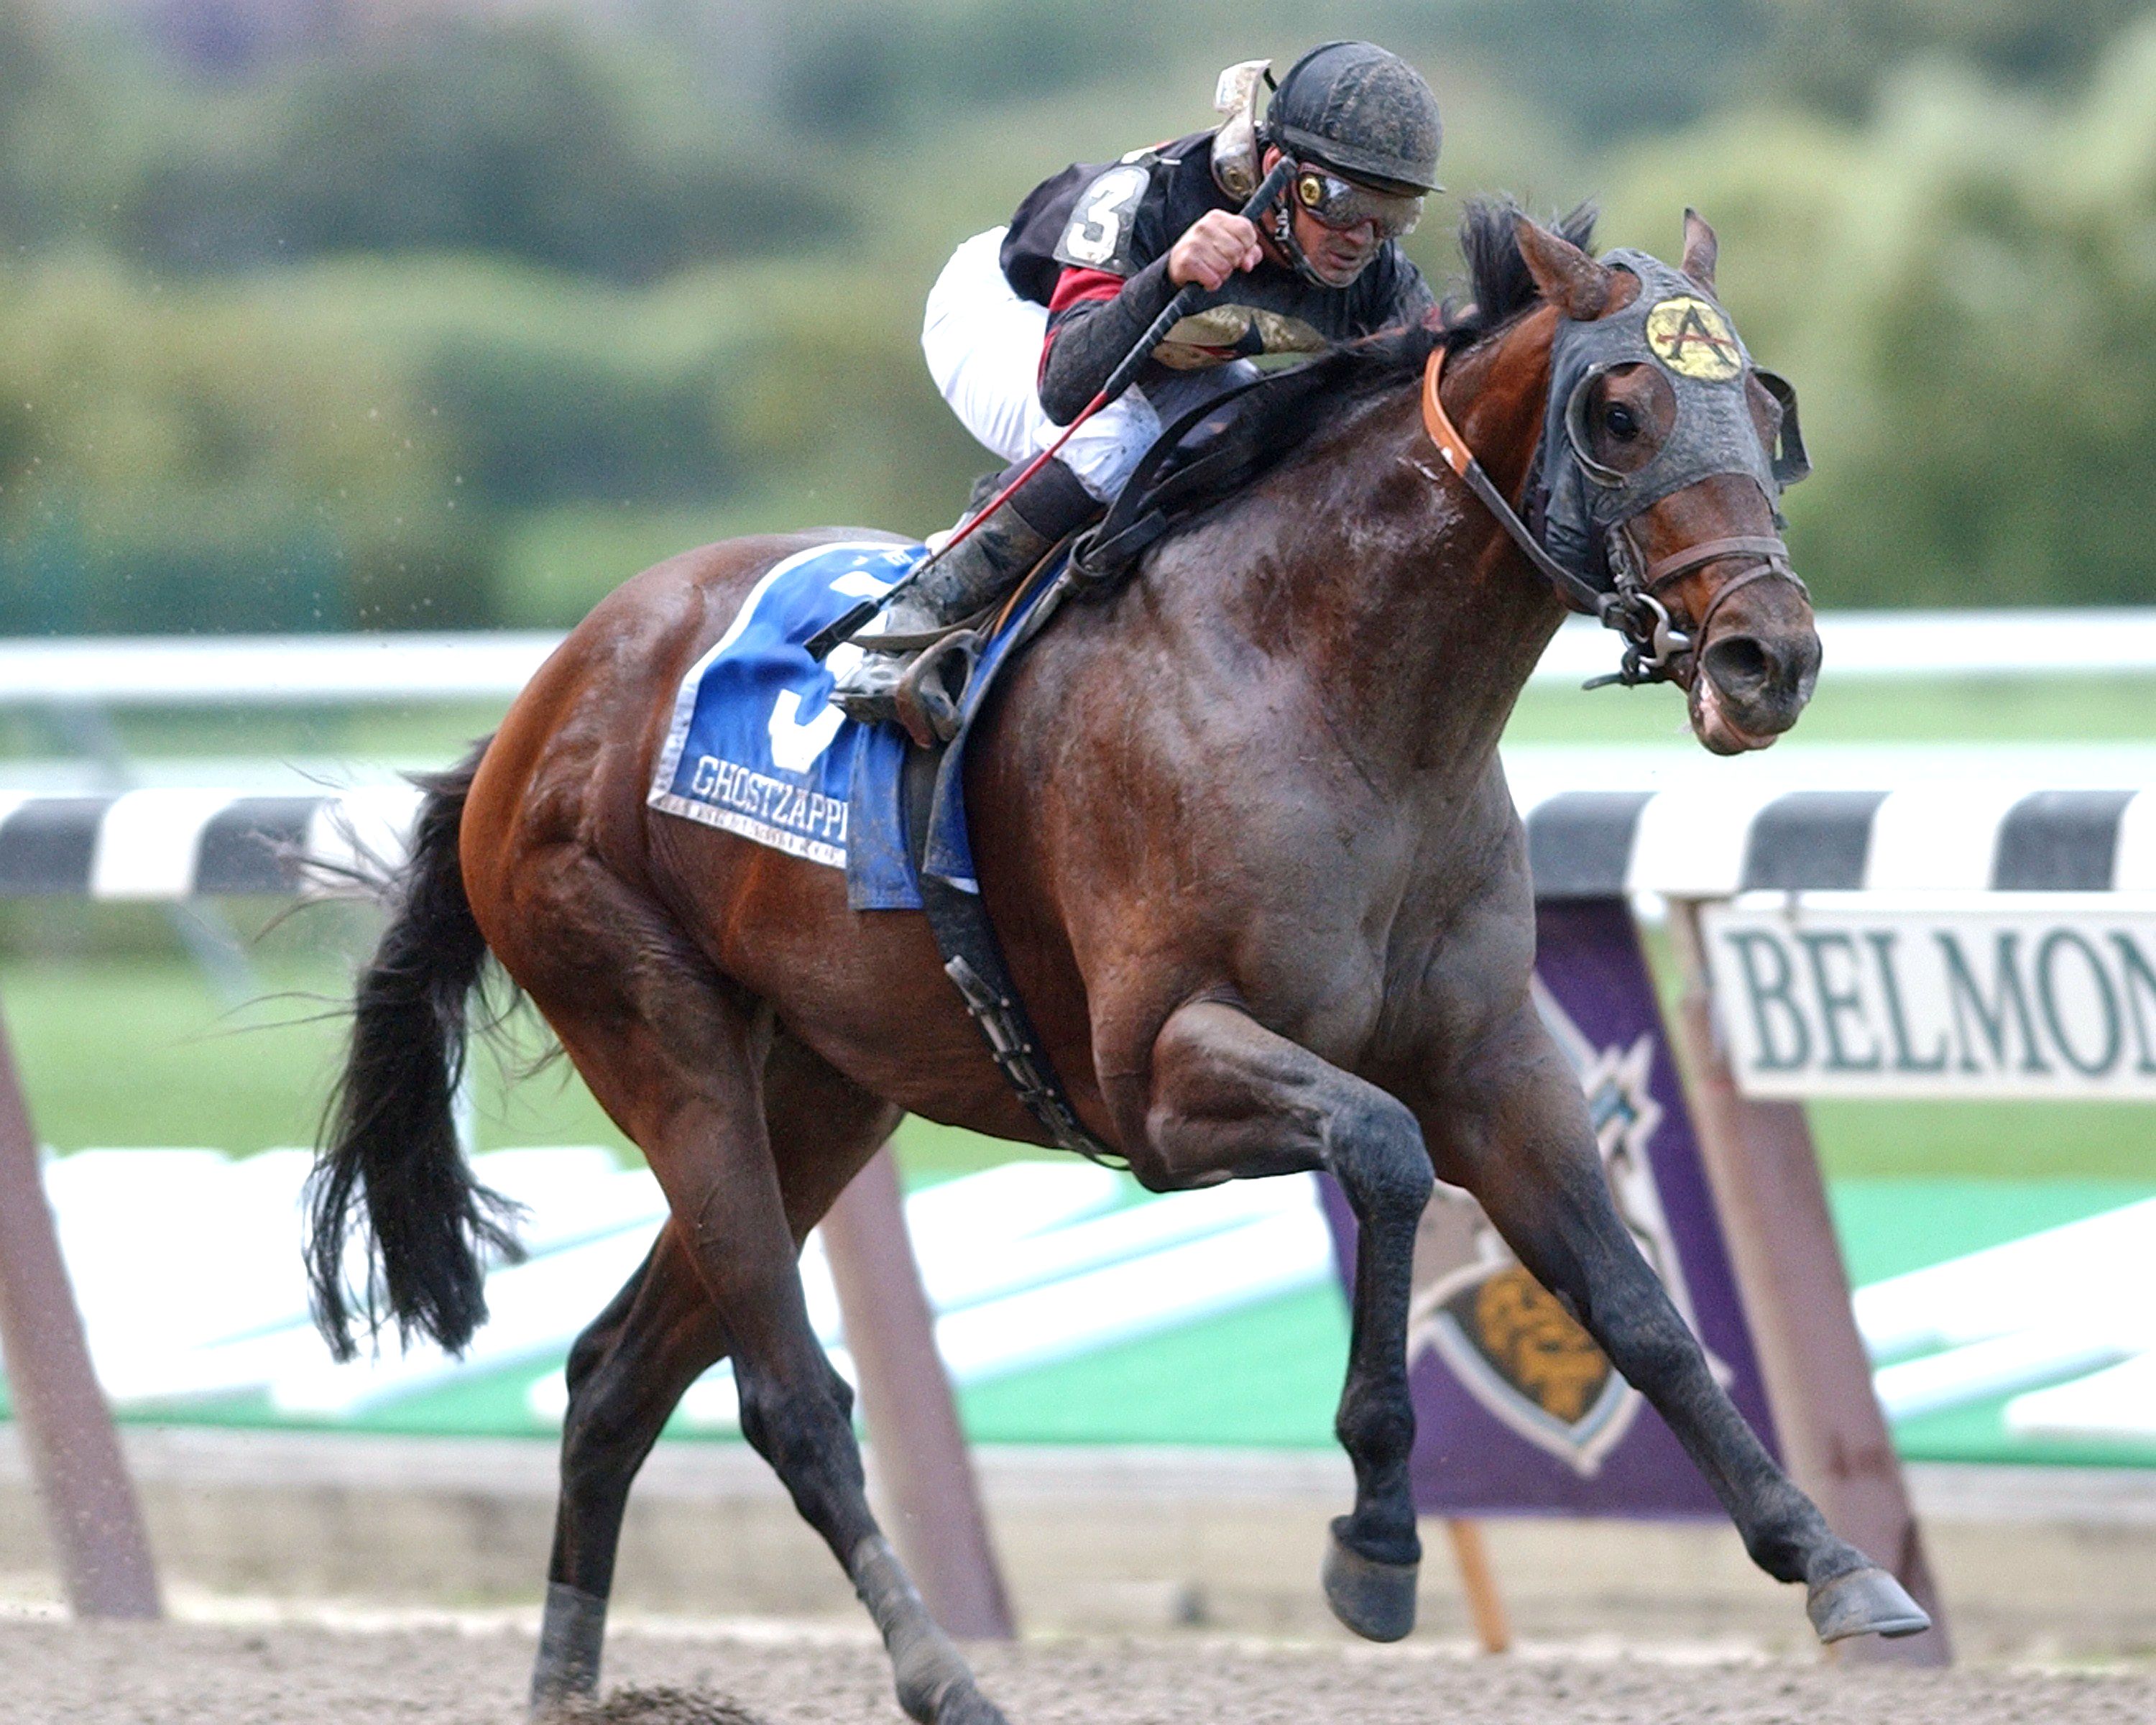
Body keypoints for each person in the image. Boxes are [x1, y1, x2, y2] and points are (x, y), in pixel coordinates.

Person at [832, 40, 1445, 734]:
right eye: (1335, 199)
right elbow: (1068, 385)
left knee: (1241, 437)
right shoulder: (1155, 198)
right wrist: (1168, 278)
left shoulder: (1375, 273)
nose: (1359, 238)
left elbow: (1431, 391)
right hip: (1009, 317)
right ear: (1278, 170)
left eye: (1391, 213)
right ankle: (909, 620)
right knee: (1114, 439)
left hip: (1163, 358)